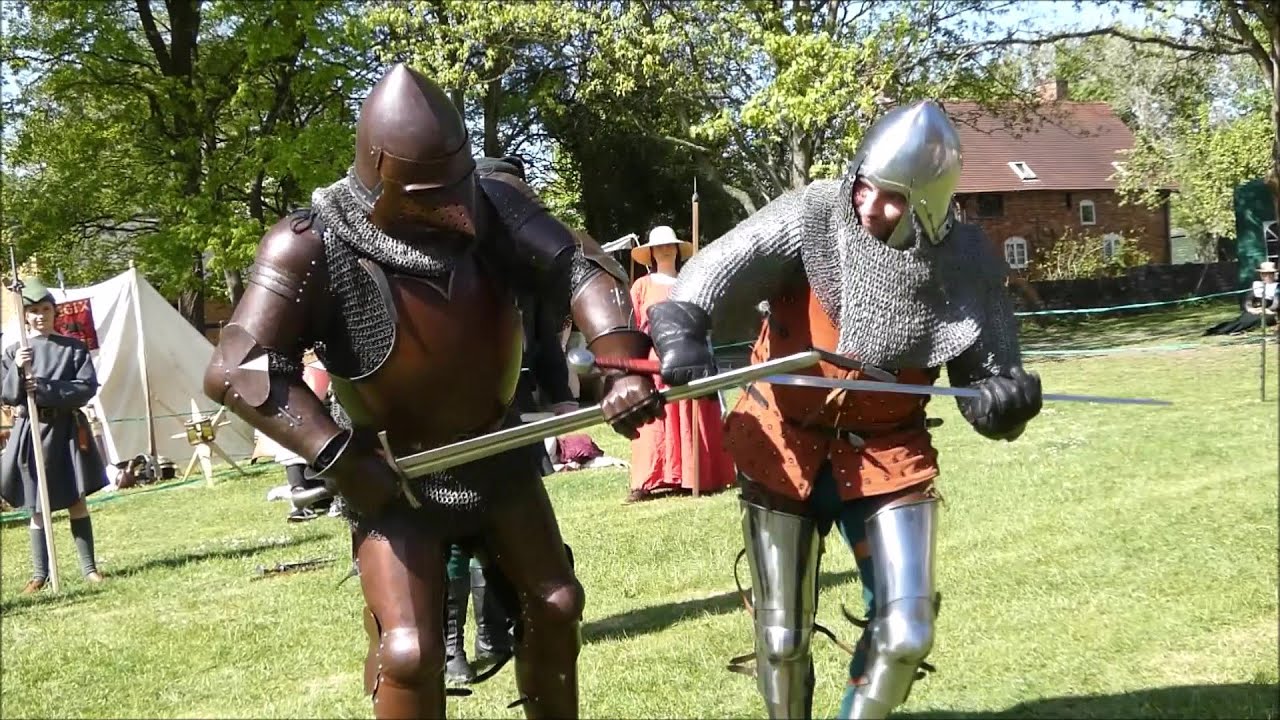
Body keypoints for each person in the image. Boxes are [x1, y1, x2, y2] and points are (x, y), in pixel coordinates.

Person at [203, 63, 663, 719]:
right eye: (427, 193)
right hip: (397, 477)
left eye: (454, 186)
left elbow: (576, 264)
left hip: (498, 453)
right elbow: (239, 366)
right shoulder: (311, 244)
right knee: (411, 651)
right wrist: (337, 458)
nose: (449, 208)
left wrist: (618, 360)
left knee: (556, 602)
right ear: (379, 168)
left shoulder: (495, 206)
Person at [644, 101, 1043, 719]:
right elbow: (707, 280)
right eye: (865, 184)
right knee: (780, 641)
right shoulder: (813, 216)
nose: (867, 204)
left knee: (906, 632)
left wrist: (1004, 401)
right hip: (781, 443)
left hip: (887, 458)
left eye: (892, 198)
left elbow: (984, 385)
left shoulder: (967, 262)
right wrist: (681, 336)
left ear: (930, 206)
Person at [2, 277, 110, 593]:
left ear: (54, 312)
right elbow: (7, 395)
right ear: (25, 316)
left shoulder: (74, 349)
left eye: (45, 309)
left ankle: (89, 569)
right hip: (31, 431)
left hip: (66, 432)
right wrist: (18, 370)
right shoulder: (13, 352)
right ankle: (39, 574)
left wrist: (47, 389)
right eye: (33, 311)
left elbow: (85, 388)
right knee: (37, 505)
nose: (39, 316)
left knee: (76, 499)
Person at [625, 225, 736, 503]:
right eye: (659, 246)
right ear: (650, 252)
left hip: (691, 356)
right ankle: (646, 480)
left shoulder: (690, 281)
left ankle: (695, 475)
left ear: (677, 249)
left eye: (670, 244)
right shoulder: (642, 286)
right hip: (654, 359)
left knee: (692, 413)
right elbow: (635, 326)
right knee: (653, 420)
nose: (665, 249)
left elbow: (705, 319)